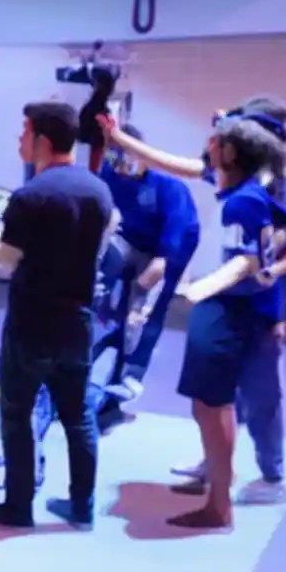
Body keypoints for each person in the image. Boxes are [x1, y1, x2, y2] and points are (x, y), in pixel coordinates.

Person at [99, 97, 286, 505]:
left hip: (259, 306)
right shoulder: (235, 178)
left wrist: (276, 297)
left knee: (261, 394)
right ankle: (215, 463)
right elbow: (176, 164)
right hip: (224, 304)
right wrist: (118, 136)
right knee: (215, 394)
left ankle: (273, 475)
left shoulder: (285, 183)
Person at [0, 102, 115, 530]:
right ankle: (81, 506)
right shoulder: (99, 191)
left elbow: (5, 262)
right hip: (78, 323)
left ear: (42, 141)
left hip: (31, 325)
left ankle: (17, 507)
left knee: (16, 414)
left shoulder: (30, 196)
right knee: (78, 416)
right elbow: (102, 246)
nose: (19, 140)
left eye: (23, 132)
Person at [166, 117, 286, 528]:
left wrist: (198, 289)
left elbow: (247, 261)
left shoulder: (243, 201)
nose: (208, 143)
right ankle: (218, 492)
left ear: (231, 153)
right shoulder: (245, 195)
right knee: (209, 406)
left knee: (212, 406)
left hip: (226, 314)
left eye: (217, 140)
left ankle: (218, 505)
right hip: (225, 312)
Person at [95, 123, 201, 407]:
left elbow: (176, 227)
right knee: (107, 266)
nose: (116, 162)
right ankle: (105, 327)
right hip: (132, 236)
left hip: (173, 243)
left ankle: (134, 374)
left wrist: (161, 262)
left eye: (122, 154)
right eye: (111, 154)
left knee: (146, 303)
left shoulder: (168, 186)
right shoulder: (108, 176)